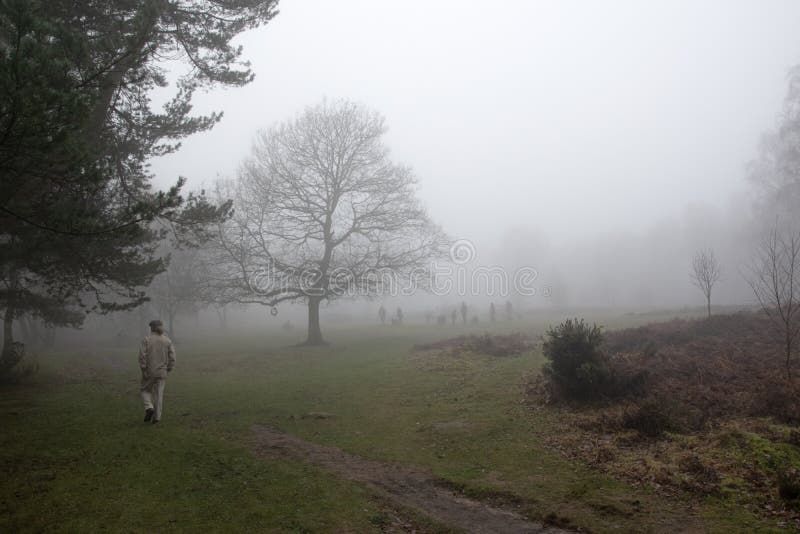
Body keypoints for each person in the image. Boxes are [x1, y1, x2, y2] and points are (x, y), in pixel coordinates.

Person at [138, 319, 176, 424]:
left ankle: (149, 407)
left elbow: (142, 356)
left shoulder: (146, 339)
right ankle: (157, 418)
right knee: (159, 394)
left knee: (145, 390)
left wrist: (143, 368)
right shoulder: (167, 340)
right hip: (162, 372)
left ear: (151, 327)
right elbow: (172, 357)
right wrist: (169, 368)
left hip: (150, 371)